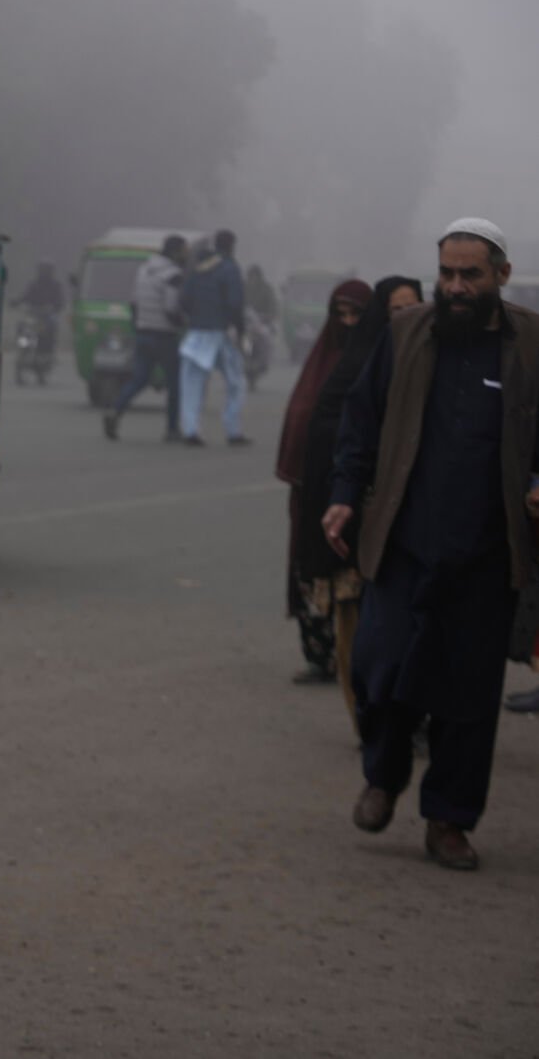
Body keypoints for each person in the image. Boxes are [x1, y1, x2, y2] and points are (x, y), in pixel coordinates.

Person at [325, 217, 539, 870]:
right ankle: (383, 775)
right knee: (380, 667)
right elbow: (359, 419)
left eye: (469, 274)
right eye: (445, 272)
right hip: (403, 542)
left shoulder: (530, 342)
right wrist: (342, 493)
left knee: (467, 697)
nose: (453, 286)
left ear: (499, 276)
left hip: (485, 552)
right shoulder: (404, 332)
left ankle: (447, 818)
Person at [274, 278, 374, 686]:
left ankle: (354, 660)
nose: (348, 323)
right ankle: (320, 654)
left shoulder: (373, 361)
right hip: (311, 489)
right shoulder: (321, 359)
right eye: (341, 315)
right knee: (310, 568)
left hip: (356, 490)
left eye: (357, 315)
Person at [103, 233, 187, 442]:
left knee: (139, 378)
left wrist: (138, 326)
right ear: (175, 251)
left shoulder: (143, 270)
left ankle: (115, 409)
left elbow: (133, 303)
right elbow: (170, 308)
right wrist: (183, 323)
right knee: (174, 383)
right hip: (164, 336)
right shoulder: (173, 275)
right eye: (185, 251)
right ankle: (171, 429)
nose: (187, 255)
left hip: (143, 333)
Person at [178, 228, 250, 446]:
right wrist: (239, 329)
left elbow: (184, 300)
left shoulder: (198, 269)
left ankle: (190, 430)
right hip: (220, 333)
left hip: (196, 333)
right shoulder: (229, 268)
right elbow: (235, 303)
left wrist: (195, 317)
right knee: (235, 383)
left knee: (192, 384)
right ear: (231, 245)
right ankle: (232, 430)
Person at [13, 260, 65, 355]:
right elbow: (25, 296)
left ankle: (48, 350)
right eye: (42, 269)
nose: (44, 272)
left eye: (46, 269)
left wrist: (55, 307)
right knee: (23, 325)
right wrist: (16, 302)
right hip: (33, 313)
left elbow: (60, 301)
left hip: (48, 315)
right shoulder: (34, 284)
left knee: (52, 326)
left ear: (51, 271)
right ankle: (23, 345)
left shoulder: (55, 286)